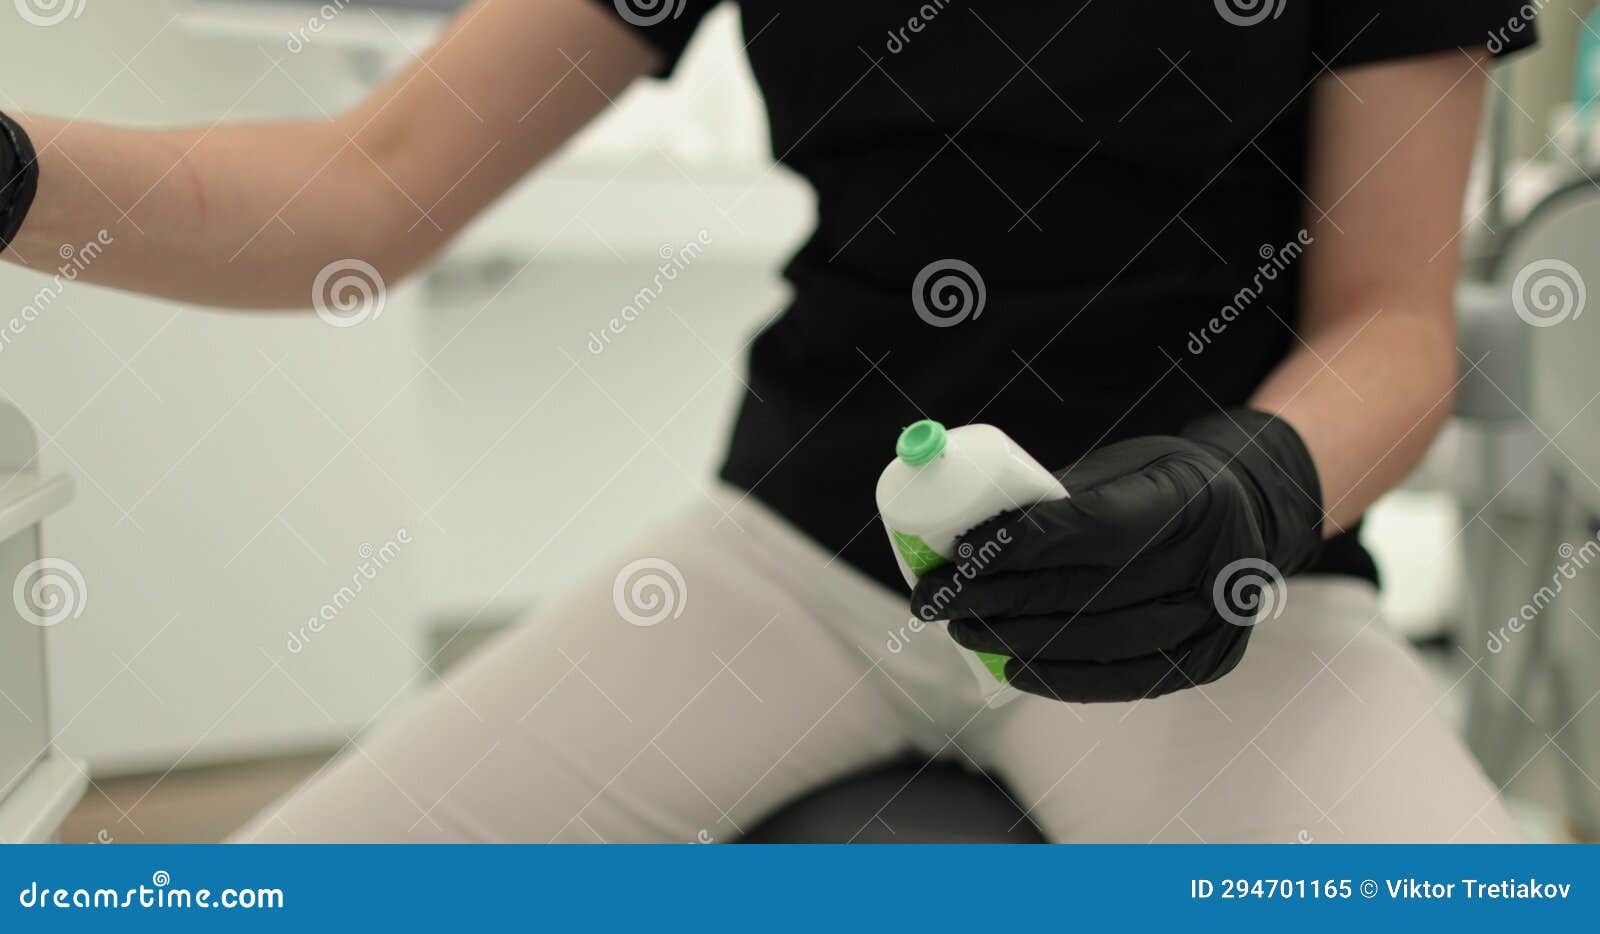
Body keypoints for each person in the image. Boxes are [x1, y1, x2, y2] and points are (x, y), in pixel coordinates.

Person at [0, 0, 1538, 842]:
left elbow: (1388, 323)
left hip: (1202, 590)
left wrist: (1247, 492)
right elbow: (363, 185)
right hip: (799, 551)